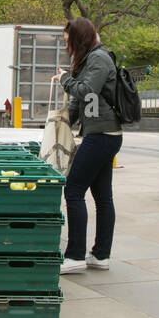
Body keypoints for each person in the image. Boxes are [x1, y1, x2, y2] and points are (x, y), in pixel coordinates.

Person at [56, 17, 124, 274]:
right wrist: (62, 123)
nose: (67, 47)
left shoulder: (98, 59)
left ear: (80, 38)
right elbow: (81, 103)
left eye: (68, 41)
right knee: (102, 196)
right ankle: (100, 255)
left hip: (102, 135)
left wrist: (64, 79)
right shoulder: (91, 58)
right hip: (103, 133)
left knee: (73, 190)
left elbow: (86, 91)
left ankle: (75, 255)